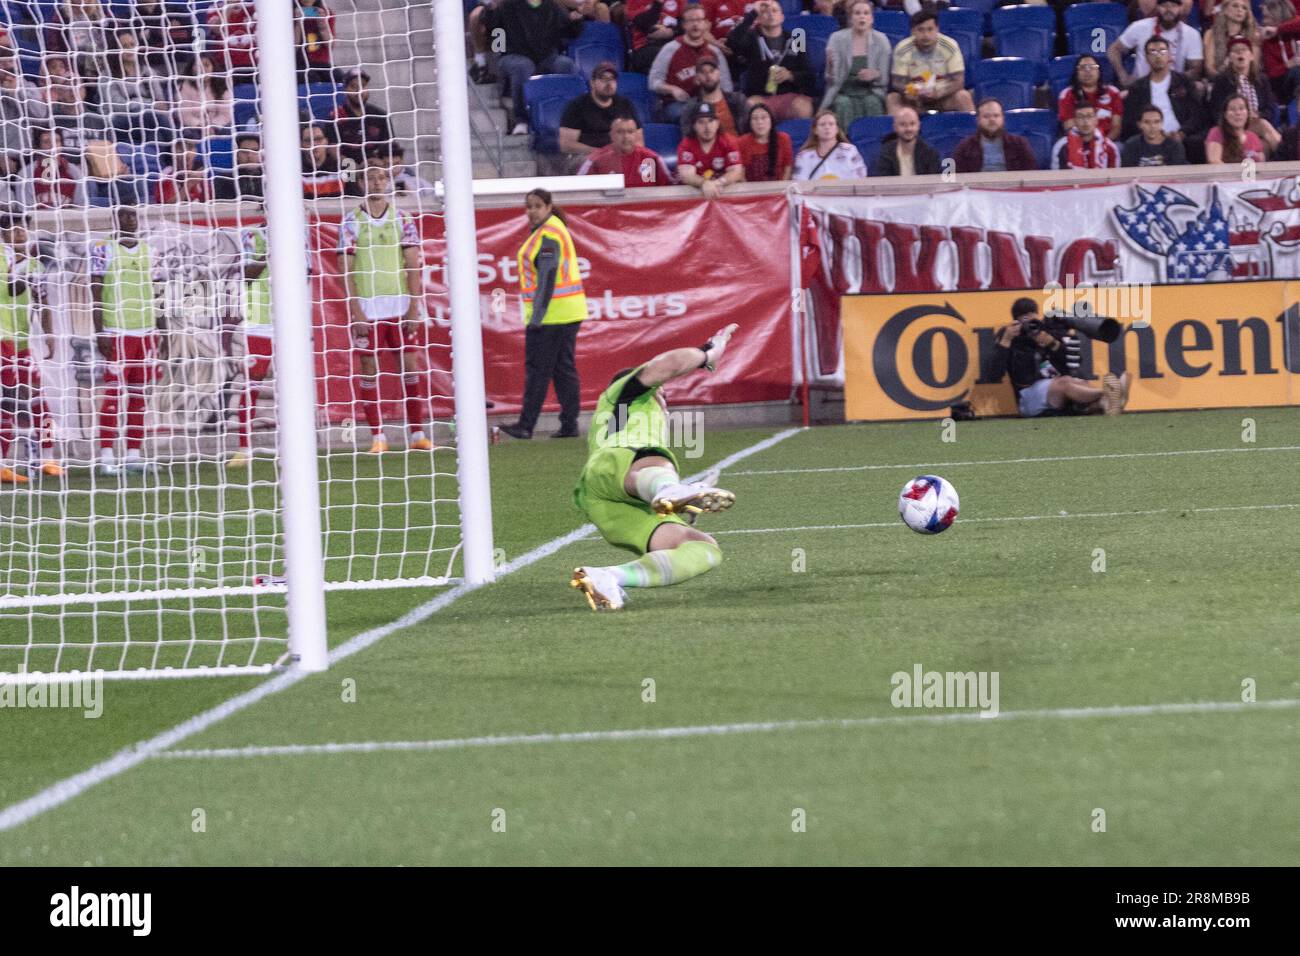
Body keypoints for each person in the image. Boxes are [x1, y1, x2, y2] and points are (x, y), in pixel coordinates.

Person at [569, 324, 739, 611]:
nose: (665, 401)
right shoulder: (626, 396)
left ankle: (608, 577)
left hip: (609, 506)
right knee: (651, 457)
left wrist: (679, 509)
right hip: (613, 468)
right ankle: (668, 490)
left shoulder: (643, 432)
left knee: (703, 547)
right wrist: (708, 353)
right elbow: (668, 365)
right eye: (663, 394)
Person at [338, 162, 430, 453]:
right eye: (371, 178)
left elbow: (413, 265)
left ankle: (417, 434)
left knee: (410, 365)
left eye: (382, 178)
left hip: (399, 304)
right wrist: (356, 311)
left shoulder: (402, 218)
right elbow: (346, 270)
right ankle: (378, 437)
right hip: (368, 306)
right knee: (368, 367)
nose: (377, 182)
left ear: (389, 182)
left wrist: (415, 308)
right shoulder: (351, 221)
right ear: (362, 183)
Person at [500, 189, 587, 440]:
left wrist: (537, 317)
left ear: (548, 207)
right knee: (562, 370)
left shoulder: (548, 234)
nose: (532, 211)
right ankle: (569, 424)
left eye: (537, 206)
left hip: (552, 315)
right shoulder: (553, 228)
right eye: (529, 206)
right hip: (567, 311)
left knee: (539, 370)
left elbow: (547, 278)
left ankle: (526, 425)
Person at [91, 205, 160, 477]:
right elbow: (95, 290)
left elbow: (157, 290)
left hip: (146, 331)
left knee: (139, 395)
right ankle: (106, 455)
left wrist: (161, 330)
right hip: (115, 330)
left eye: (133, 214)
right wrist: (100, 332)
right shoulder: (101, 249)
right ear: (114, 218)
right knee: (113, 395)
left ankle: (134, 455)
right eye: (123, 214)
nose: (129, 219)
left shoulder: (149, 251)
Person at [985, 298, 1128, 419]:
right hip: (1029, 399)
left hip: (1053, 392)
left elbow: (1072, 364)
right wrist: (1006, 340)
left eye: (1033, 316)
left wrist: (1052, 344)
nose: (1030, 323)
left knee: (1074, 380)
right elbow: (993, 374)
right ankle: (1108, 393)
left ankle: (1105, 403)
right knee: (1064, 383)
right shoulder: (1010, 338)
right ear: (1016, 321)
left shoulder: (1044, 333)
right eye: (1025, 318)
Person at [0, 211, 60, 483]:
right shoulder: (4, 258)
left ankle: (46, 458)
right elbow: (13, 288)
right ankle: (2, 464)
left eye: (23, 228)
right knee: (8, 402)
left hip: (23, 340)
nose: (20, 234)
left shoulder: (35, 264)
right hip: (3, 339)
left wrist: (49, 334)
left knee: (38, 400)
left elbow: (42, 300)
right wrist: (25, 269)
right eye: (13, 230)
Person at [480, 0, 583, 135]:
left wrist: (575, 20)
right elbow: (493, 31)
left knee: (566, 64)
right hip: (512, 55)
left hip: (546, 57)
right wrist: (491, 10)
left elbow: (569, 33)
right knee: (523, 66)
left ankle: (572, 118)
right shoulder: (507, 5)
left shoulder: (551, 6)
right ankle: (521, 120)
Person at [228, 219, 273, 467]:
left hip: (290, 321)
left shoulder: (299, 232)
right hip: (259, 319)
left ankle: (293, 446)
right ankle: (244, 448)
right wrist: (270, 251)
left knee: (293, 386)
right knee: (252, 382)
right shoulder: (251, 235)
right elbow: (246, 275)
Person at [1119, 37, 1210, 157]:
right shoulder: (1138, 88)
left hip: (1181, 136)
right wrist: (1152, 135)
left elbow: (1197, 114)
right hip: (1149, 136)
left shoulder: (1184, 82)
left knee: (1196, 142)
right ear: (1146, 58)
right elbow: (1130, 122)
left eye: (1162, 51)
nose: (1158, 56)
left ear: (1170, 56)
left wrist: (1182, 132)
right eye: (1153, 52)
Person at [727, 1, 816, 121]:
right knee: (750, 105)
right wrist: (752, 13)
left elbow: (809, 74)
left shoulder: (796, 38)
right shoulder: (752, 38)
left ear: (782, 16)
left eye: (774, 11)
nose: (770, 14)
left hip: (789, 97)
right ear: (758, 18)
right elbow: (732, 41)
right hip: (762, 97)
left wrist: (790, 75)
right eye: (765, 12)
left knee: (803, 107)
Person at [649, 3, 733, 124]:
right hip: (678, 104)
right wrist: (672, 89)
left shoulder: (714, 52)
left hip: (708, 101)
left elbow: (726, 86)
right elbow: (653, 81)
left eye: (699, 20)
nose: (695, 24)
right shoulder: (670, 49)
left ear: (705, 24)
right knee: (692, 116)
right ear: (684, 24)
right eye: (691, 20)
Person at [822, 0, 890, 133]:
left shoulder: (881, 40)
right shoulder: (836, 39)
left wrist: (876, 74)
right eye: (857, 13)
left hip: (871, 90)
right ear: (850, 18)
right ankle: (845, 142)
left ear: (871, 18)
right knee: (843, 104)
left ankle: (873, 140)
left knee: (872, 102)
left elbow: (884, 80)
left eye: (866, 13)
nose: (862, 17)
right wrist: (830, 69)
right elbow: (831, 81)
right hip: (842, 90)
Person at [887, 9, 973, 114]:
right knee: (892, 98)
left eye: (930, 29)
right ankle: (898, 130)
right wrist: (910, 91)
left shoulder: (950, 46)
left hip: (943, 97)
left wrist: (938, 92)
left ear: (937, 29)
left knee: (963, 96)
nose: (926, 35)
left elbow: (958, 80)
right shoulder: (902, 49)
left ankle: (972, 129)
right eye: (921, 30)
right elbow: (897, 81)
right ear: (913, 31)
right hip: (913, 99)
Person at [558, 62, 641, 169]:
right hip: (586, 156)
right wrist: (601, 153)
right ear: (592, 83)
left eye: (612, 79)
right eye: (603, 79)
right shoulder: (577, 106)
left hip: (620, 154)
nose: (608, 83)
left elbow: (639, 141)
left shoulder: (625, 105)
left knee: (646, 164)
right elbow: (566, 144)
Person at [1208, 36, 1280, 154]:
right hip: (1232, 125)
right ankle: (1291, 159)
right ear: (1230, 58)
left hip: (1256, 123)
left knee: (1264, 145)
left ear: (1251, 56)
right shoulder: (1222, 81)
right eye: (1235, 51)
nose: (1240, 53)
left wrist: (1257, 114)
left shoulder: (1262, 80)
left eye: (1244, 50)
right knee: (1263, 125)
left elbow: (1271, 109)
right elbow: (1214, 110)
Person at [1108, 0, 1203, 87]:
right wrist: (1123, 76)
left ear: (1180, 8)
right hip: (1141, 86)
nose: (1168, 10)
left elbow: (1195, 68)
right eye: (1164, 5)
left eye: (1173, 6)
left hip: (1174, 88)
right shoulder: (1139, 27)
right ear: (1157, 7)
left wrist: (1174, 81)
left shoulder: (1191, 34)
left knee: (1198, 87)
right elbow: (1114, 50)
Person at [578, 114, 674, 186]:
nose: (626, 137)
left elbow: (669, 189)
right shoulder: (596, 160)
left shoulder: (651, 159)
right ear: (611, 135)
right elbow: (579, 190)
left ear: (636, 135)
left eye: (630, 132)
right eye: (620, 132)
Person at [676, 101, 744, 198]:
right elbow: (686, 175)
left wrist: (718, 183)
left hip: (721, 193)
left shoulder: (729, 142)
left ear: (717, 123)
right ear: (694, 126)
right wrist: (704, 183)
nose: (707, 127)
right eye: (701, 122)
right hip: (694, 197)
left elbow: (736, 172)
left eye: (711, 121)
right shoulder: (686, 144)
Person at [330, 68, 394, 170]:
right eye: (353, 86)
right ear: (345, 89)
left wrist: (378, 162)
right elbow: (333, 152)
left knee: (402, 178)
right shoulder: (335, 117)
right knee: (349, 176)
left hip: (376, 166)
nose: (359, 91)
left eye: (363, 86)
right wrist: (357, 168)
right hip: (349, 166)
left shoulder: (381, 115)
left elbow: (390, 148)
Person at [952, 98, 1037, 173]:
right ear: (978, 120)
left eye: (996, 116)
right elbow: (957, 176)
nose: (992, 120)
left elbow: (1030, 172)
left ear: (1003, 119)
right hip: (976, 189)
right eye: (986, 116)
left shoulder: (1019, 144)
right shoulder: (965, 146)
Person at [678, 54, 749, 138]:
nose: (708, 75)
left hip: (738, 148)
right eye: (702, 72)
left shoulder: (738, 100)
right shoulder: (691, 107)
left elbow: (749, 132)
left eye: (712, 71)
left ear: (719, 73)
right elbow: (687, 138)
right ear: (697, 77)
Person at [1057, 54, 1123, 141]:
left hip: (1108, 142)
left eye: (1092, 67)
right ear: (1077, 73)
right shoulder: (1067, 95)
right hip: (1078, 143)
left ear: (1099, 71)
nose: (1087, 71)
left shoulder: (1113, 93)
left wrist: (1103, 144)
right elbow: (1070, 127)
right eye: (1083, 67)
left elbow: (1116, 127)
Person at [20, 127, 87, 209]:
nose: (53, 146)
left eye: (57, 141)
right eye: (47, 142)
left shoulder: (75, 173)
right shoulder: (26, 174)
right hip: (38, 221)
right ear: (38, 148)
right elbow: (26, 213)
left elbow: (81, 208)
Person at [793, 108, 868, 180]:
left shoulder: (850, 151)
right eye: (822, 124)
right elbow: (800, 182)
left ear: (837, 129)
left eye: (831, 124)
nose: (827, 127)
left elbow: (860, 176)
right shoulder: (803, 156)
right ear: (815, 130)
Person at [872, 104, 941, 176]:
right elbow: (883, 182)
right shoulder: (886, 153)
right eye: (903, 124)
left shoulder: (930, 153)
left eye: (912, 124)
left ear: (918, 126)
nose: (908, 129)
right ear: (895, 127)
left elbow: (935, 183)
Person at [625, 0, 688, 74]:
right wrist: (658, 3)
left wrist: (673, 31)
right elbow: (642, 23)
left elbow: (685, 24)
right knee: (671, 56)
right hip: (645, 47)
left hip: (672, 43)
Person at [1051, 103, 1120, 169]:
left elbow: (1116, 177)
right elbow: (1057, 177)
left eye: (1089, 116)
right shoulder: (1061, 146)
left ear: (1096, 120)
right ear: (1074, 121)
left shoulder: (1110, 147)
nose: (1086, 121)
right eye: (1080, 117)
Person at [1204, 0, 1260, 79]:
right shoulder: (1212, 34)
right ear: (1225, 10)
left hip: (1246, 80)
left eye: (1244, 8)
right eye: (1235, 6)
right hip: (1218, 80)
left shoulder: (1253, 36)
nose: (1240, 10)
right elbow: (1209, 68)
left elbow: (1254, 67)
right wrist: (1221, 78)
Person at [736, 102, 793, 180]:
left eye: (764, 118)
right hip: (750, 189)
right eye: (755, 118)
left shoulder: (783, 139)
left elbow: (788, 168)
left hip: (779, 188)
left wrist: (782, 190)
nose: (759, 122)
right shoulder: (742, 142)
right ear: (750, 123)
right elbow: (741, 173)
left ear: (771, 120)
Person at [1206, 93, 1269, 162]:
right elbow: (1215, 161)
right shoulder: (1217, 133)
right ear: (1225, 115)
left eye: (1241, 108)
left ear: (1248, 113)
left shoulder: (1253, 137)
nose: (1238, 113)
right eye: (1232, 109)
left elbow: (1261, 164)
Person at [1120, 104, 1190, 165]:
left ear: (1162, 123)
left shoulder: (1174, 146)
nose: (1152, 126)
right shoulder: (1131, 145)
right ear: (1139, 124)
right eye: (1147, 122)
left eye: (1156, 122)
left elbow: (1176, 173)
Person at [1259, 0, 1300, 102]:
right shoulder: (1267, 41)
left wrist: (1278, 29)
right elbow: (1271, 73)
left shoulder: (1295, 26)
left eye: (1266, 17)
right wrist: (1288, 64)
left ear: (1277, 14)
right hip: (1283, 83)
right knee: (1297, 72)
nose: (1264, 22)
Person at [154, 137, 212, 204]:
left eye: (190, 147)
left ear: (196, 151)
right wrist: (189, 184)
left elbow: (210, 202)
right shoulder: (166, 175)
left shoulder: (201, 172)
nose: (185, 152)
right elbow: (168, 207)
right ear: (173, 152)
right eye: (180, 148)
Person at [295, 0, 335, 85]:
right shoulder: (288, 14)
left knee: (337, 76)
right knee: (311, 78)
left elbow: (330, 44)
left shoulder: (326, 13)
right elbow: (294, 45)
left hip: (320, 62)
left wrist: (323, 24)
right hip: (298, 62)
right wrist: (298, 23)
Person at [301, 121, 344, 199]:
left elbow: (353, 196)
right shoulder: (295, 171)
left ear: (326, 141)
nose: (314, 144)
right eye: (308, 140)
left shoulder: (346, 166)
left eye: (318, 139)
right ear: (301, 144)